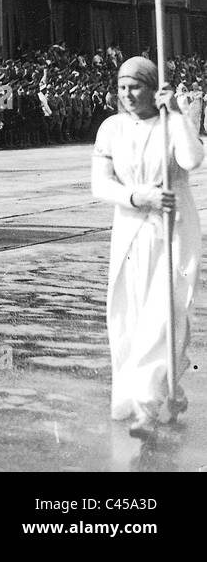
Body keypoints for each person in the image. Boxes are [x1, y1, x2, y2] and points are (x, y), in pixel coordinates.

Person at [91, 56, 204, 438]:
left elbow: (192, 159)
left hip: (174, 229)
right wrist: (140, 197)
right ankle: (148, 395)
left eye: (135, 86)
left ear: (152, 87)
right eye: (122, 86)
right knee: (128, 315)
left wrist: (175, 113)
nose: (127, 94)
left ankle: (149, 404)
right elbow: (100, 185)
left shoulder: (171, 124)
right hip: (131, 227)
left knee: (165, 314)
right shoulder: (111, 129)